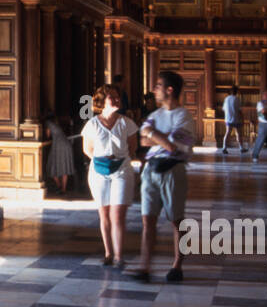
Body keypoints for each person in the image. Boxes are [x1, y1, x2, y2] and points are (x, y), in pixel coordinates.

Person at [135, 70, 195, 283]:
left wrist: (152, 134)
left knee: (176, 221)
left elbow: (174, 146)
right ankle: (145, 267)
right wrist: (160, 138)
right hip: (151, 169)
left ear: (170, 90)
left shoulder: (184, 116)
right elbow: (142, 142)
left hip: (173, 171)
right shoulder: (155, 115)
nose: (154, 90)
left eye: (158, 85)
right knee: (147, 219)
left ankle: (177, 265)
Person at [82, 85, 138, 267]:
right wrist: (102, 162)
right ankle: (108, 252)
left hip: (121, 169)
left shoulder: (126, 123)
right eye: (111, 97)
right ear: (101, 101)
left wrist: (115, 159)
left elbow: (132, 147)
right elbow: (87, 149)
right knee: (104, 214)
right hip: (98, 171)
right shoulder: (92, 124)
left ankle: (119, 256)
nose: (116, 100)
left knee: (117, 214)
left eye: (117, 97)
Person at [45, 111, 74, 194]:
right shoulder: (56, 122)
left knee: (51, 167)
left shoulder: (48, 123)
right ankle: (63, 189)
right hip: (66, 145)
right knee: (65, 167)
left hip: (58, 146)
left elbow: (47, 135)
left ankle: (59, 186)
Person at [251, 88, 267, 161]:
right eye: (266, 95)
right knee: (260, 140)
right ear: (263, 96)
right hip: (264, 123)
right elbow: (264, 113)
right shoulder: (260, 104)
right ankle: (255, 155)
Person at [221, 84, 244, 153]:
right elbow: (239, 110)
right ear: (236, 92)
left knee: (227, 133)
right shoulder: (237, 99)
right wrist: (243, 119)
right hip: (236, 118)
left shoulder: (226, 98)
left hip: (228, 119)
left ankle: (224, 148)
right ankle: (241, 148)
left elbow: (224, 109)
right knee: (239, 133)